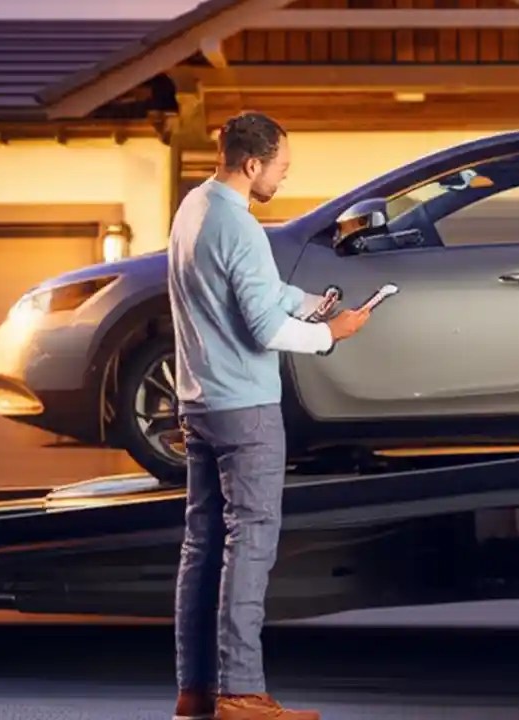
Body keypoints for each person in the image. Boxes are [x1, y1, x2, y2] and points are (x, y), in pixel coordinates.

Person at [169, 111, 370, 720]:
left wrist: (311, 303)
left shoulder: (193, 209)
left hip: (198, 403)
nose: (284, 177)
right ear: (253, 164)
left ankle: (196, 690)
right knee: (250, 548)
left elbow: (248, 291)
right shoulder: (241, 228)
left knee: (202, 546)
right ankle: (242, 694)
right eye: (281, 167)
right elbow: (262, 328)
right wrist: (331, 333)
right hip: (246, 410)